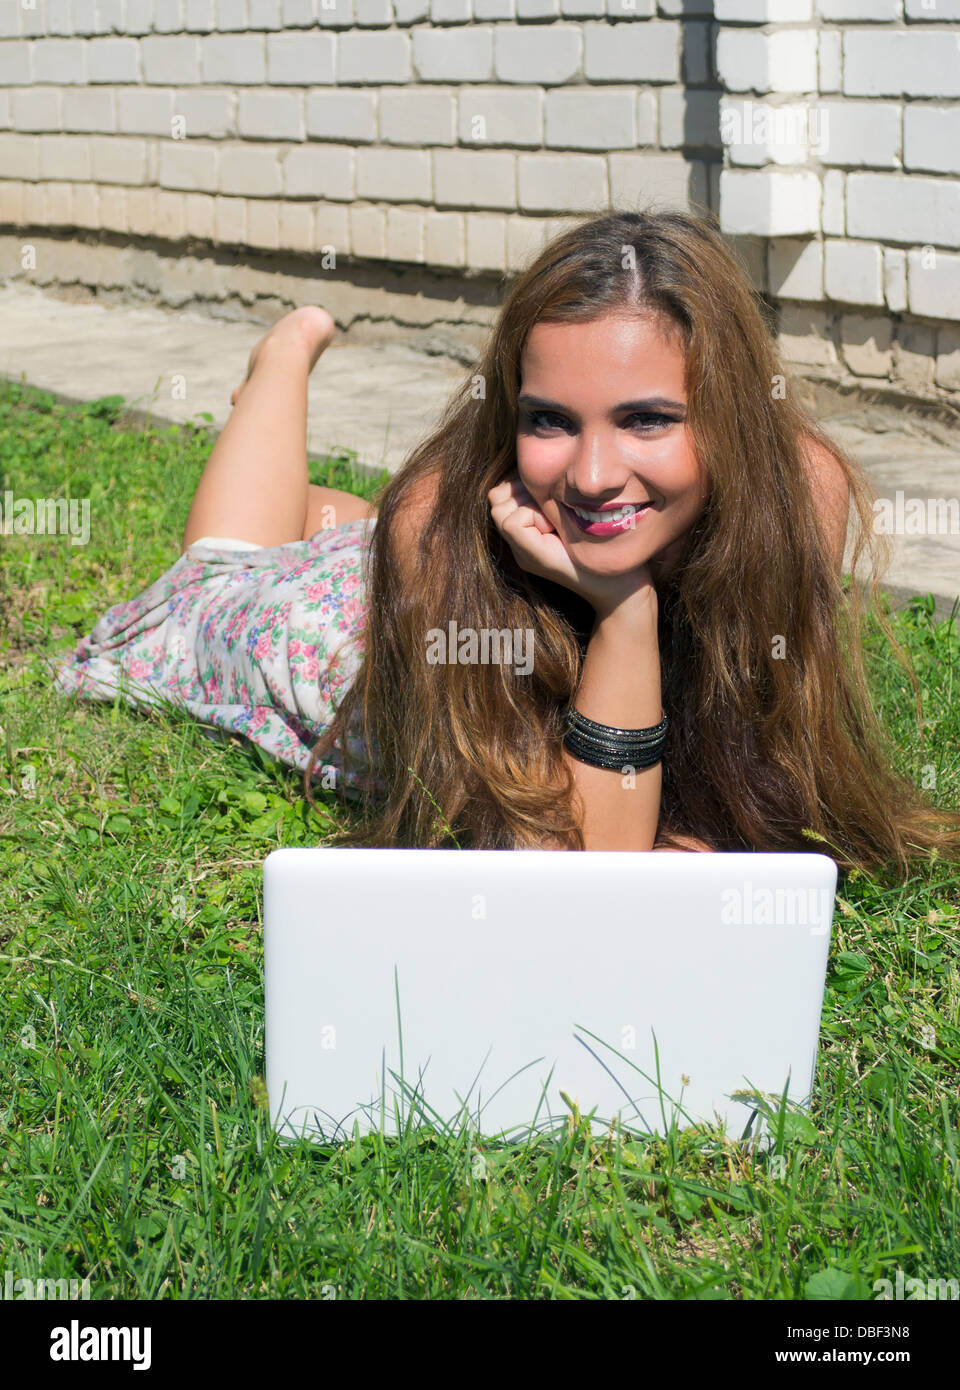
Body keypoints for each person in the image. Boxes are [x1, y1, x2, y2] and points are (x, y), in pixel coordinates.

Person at [49, 209, 960, 872]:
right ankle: (287, 352)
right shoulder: (436, 533)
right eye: (552, 420)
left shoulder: (800, 487)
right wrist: (626, 610)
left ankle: (326, 501)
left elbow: (757, 772)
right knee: (219, 571)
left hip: (438, 555)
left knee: (335, 529)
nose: (595, 475)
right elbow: (580, 860)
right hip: (351, 631)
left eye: (647, 420)